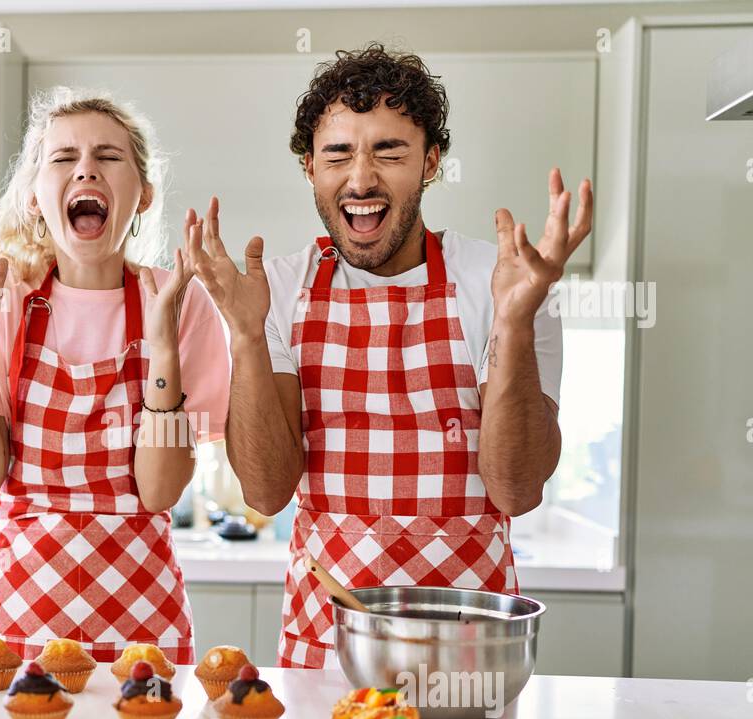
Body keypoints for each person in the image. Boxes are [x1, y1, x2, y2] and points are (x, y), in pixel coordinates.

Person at [188, 44, 592, 667]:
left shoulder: (503, 280)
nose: (360, 179)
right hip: (328, 650)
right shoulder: (275, 290)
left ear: (431, 162)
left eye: (389, 151)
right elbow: (267, 493)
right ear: (309, 169)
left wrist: (513, 324)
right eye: (338, 153)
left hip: (468, 650)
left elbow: (515, 489)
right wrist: (243, 334)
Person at [0, 88, 229, 664]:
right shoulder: (2, 303)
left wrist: (161, 348)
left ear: (142, 195)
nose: (86, 168)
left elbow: (159, 492)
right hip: (13, 623)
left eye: (109, 157)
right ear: (37, 197)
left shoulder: (179, 302)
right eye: (63, 158)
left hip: (143, 630)